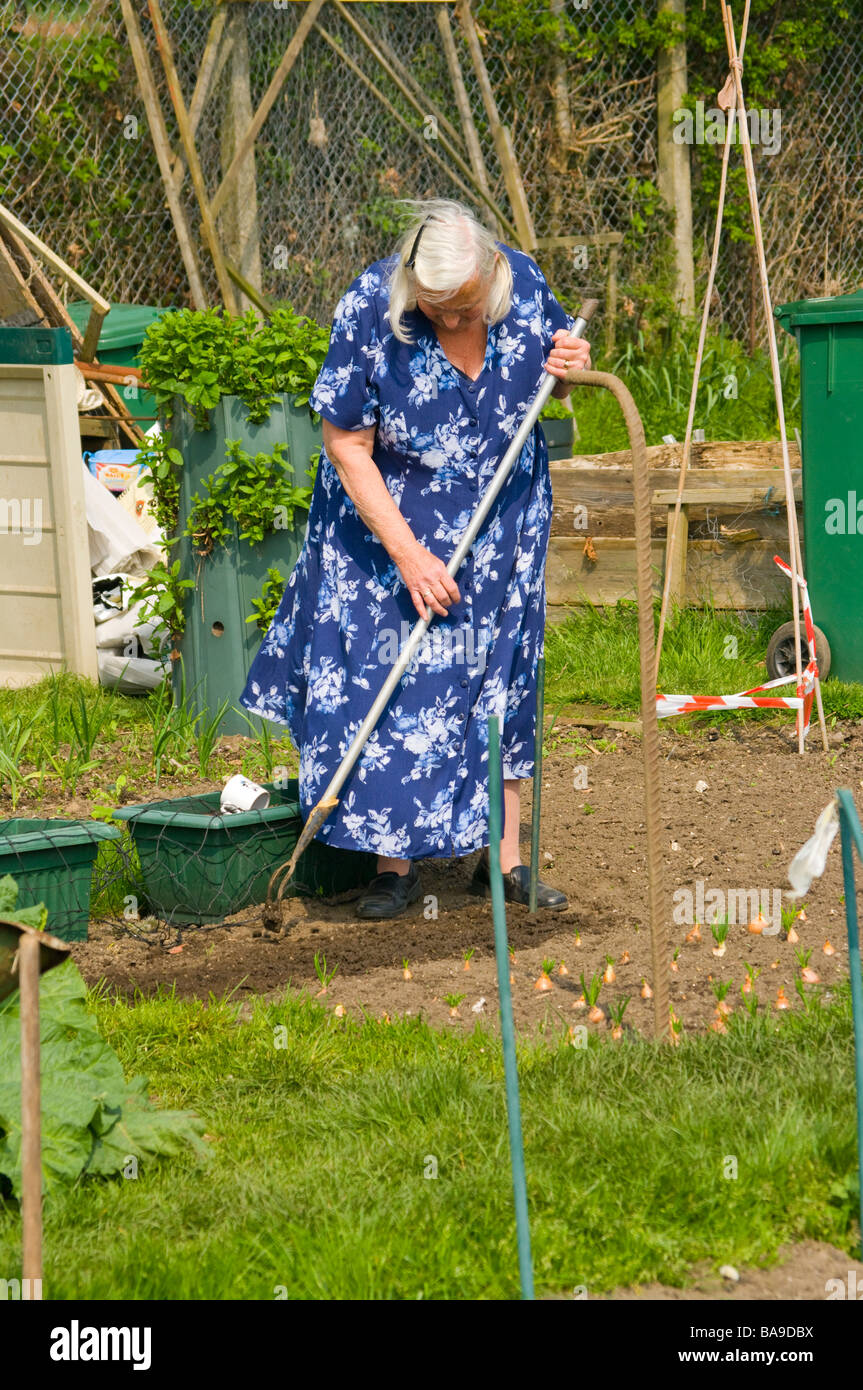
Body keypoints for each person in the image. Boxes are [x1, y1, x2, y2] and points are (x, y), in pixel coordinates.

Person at [240, 199, 590, 919]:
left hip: (502, 520)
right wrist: (408, 556)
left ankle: (503, 861)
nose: (451, 323)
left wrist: (571, 367)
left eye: (464, 310)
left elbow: (549, 379)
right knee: (394, 677)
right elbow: (345, 443)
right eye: (435, 311)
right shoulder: (371, 305)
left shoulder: (521, 283)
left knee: (500, 676)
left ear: (490, 275)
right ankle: (392, 867)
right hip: (391, 522)